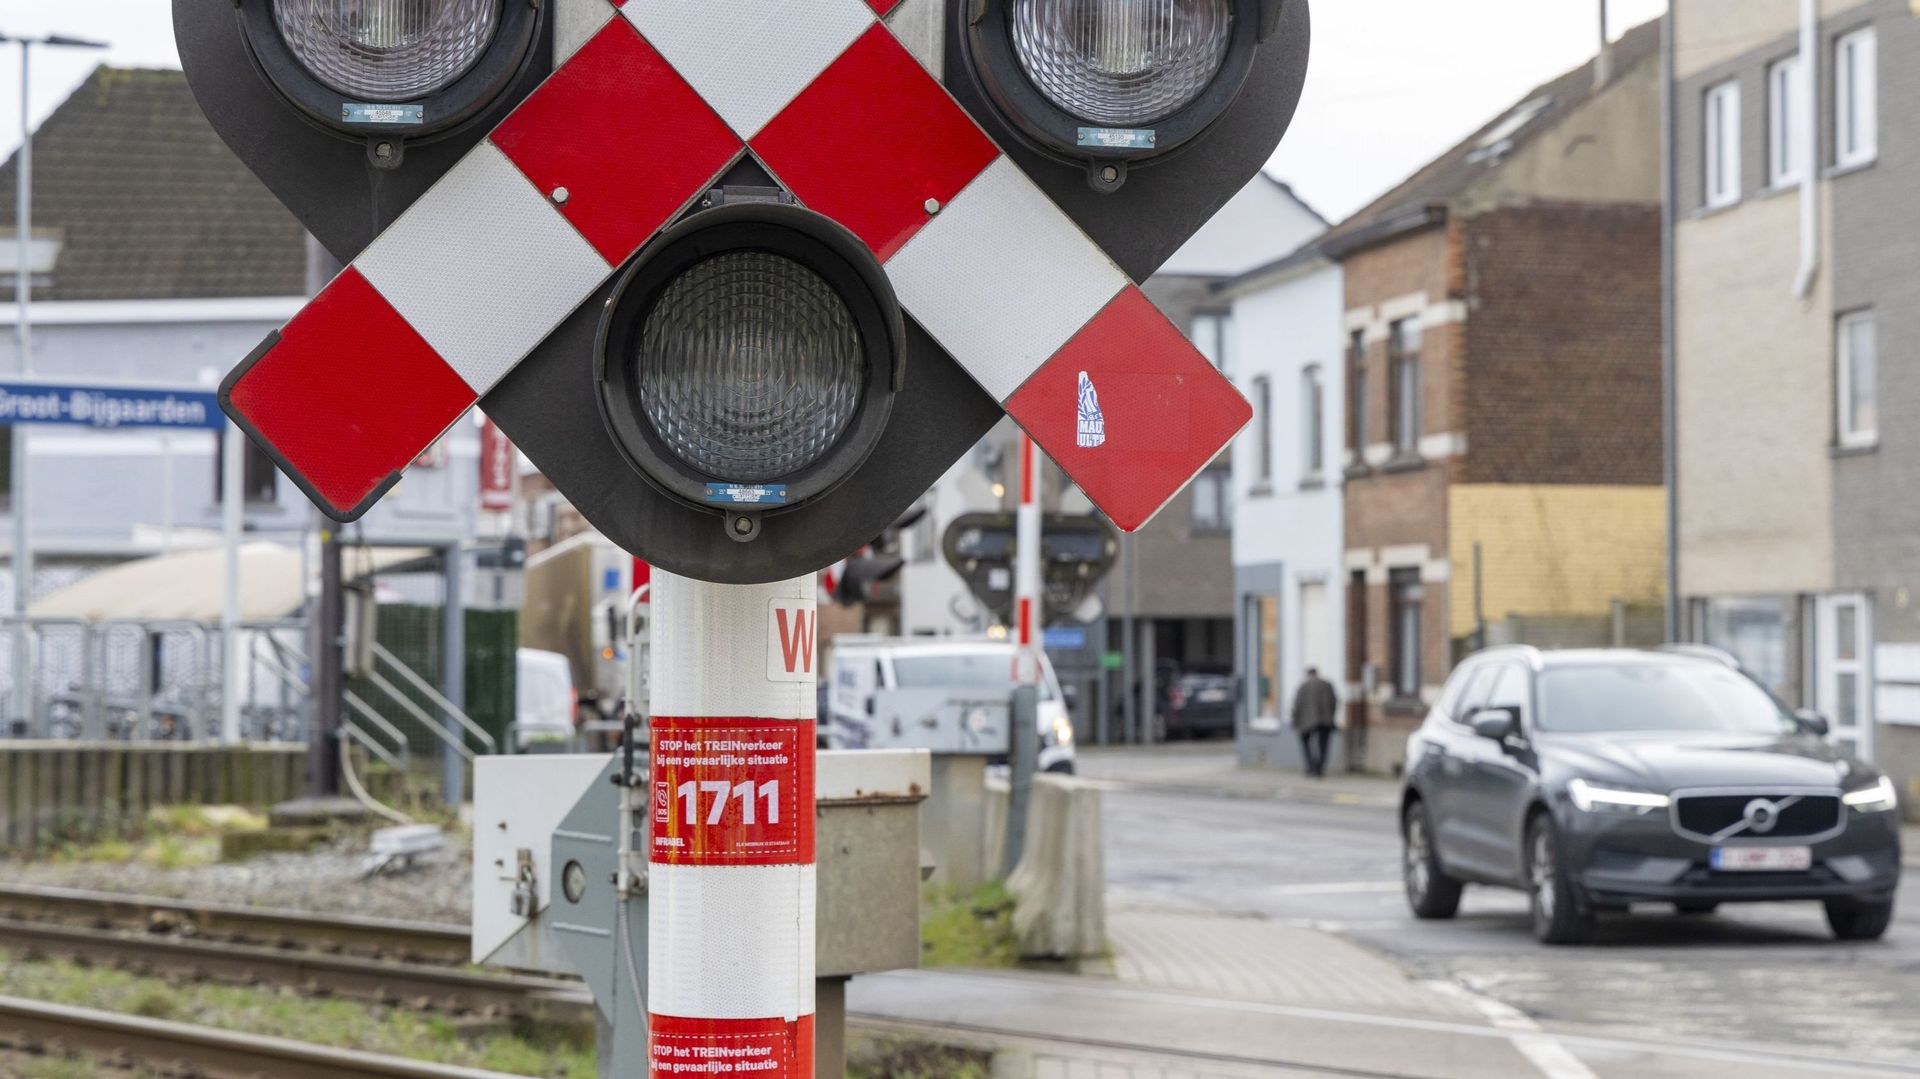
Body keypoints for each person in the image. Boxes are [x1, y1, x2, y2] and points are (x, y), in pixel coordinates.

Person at [1290, 666, 1339, 778]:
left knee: (1306, 743)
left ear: (1308, 674)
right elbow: (1334, 702)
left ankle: (1310, 766)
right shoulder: (1327, 685)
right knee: (1323, 744)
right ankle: (1320, 768)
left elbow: (1297, 705)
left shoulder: (1303, 686)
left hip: (1306, 722)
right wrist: (1331, 717)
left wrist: (1295, 720)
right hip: (1325, 721)